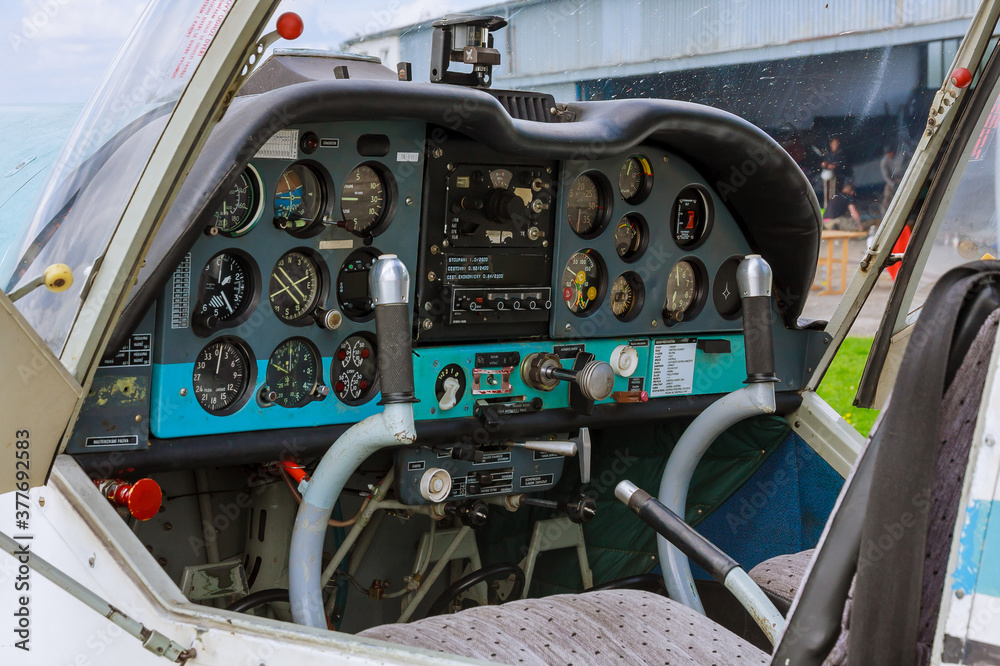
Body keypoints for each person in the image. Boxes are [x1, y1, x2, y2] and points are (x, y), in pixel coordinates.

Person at [819, 136, 849, 207]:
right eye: (834, 143)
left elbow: (841, 165)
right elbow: (822, 163)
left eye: (837, 143)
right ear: (831, 144)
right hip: (827, 177)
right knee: (826, 193)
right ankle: (827, 209)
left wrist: (832, 166)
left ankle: (832, 208)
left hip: (837, 178)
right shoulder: (827, 154)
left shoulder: (841, 154)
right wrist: (824, 164)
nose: (835, 145)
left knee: (833, 194)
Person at [880, 146, 902, 215]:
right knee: (887, 198)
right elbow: (885, 176)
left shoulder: (897, 157)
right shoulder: (884, 162)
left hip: (900, 180)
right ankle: (884, 214)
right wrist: (891, 183)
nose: (893, 154)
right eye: (891, 153)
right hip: (890, 182)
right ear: (887, 153)